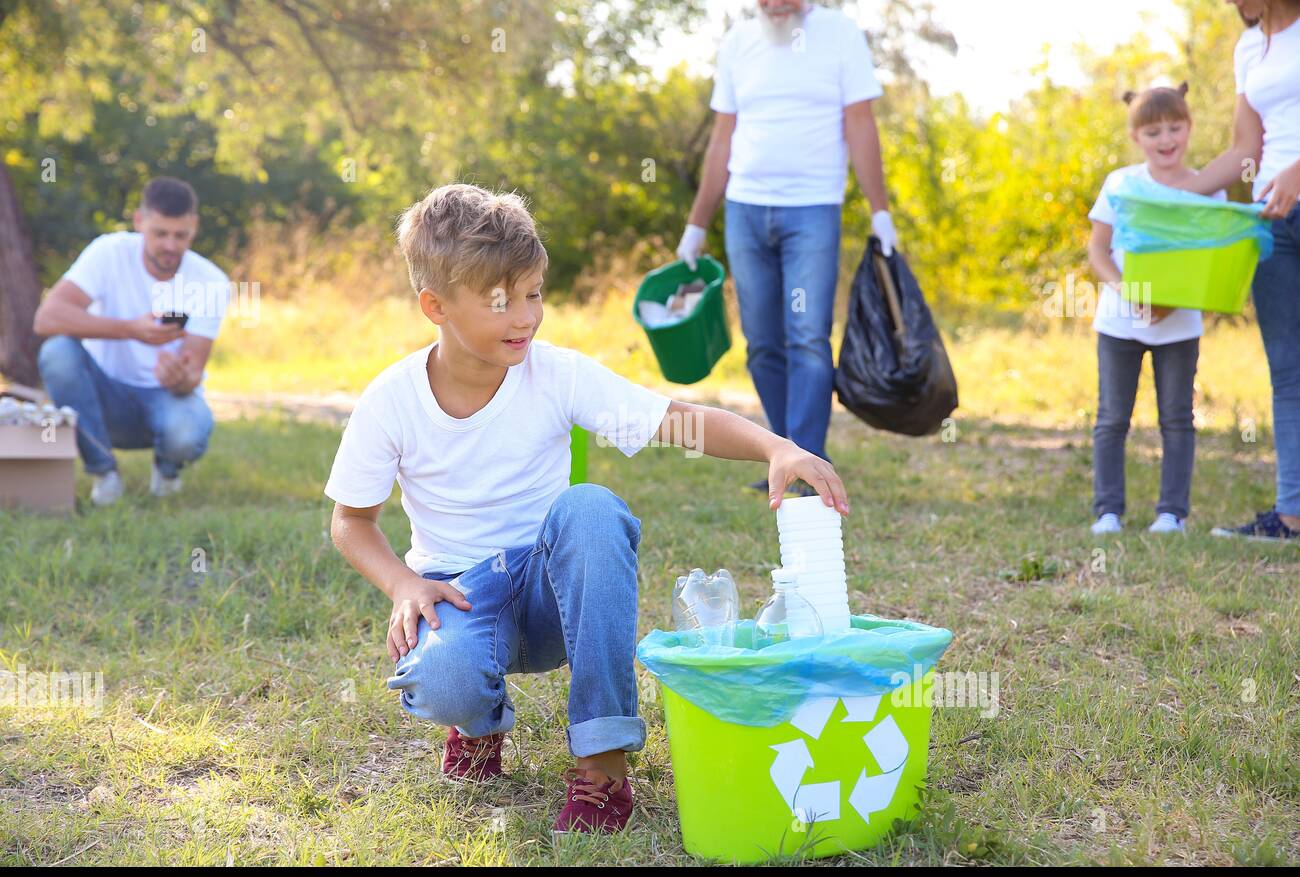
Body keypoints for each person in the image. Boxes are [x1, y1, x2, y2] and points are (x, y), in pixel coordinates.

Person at [324, 183, 851, 834]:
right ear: (436, 305)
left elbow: (675, 421)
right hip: (460, 597)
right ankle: (478, 723)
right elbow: (351, 522)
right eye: (500, 301)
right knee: (447, 679)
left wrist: (775, 447)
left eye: (534, 294)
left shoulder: (556, 374)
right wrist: (403, 583)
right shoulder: (392, 400)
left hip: (556, 597)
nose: (524, 317)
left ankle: (603, 763)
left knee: (591, 508)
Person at [676, 0, 894, 498]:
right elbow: (722, 139)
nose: (774, 5)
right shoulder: (737, 42)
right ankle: (786, 452)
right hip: (746, 210)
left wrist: (880, 210)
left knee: (808, 337)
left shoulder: (841, 36)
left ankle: (809, 460)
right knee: (764, 343)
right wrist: (697, 223)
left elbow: (861, 124)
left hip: (813, 209)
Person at [33, 177, 228, 506]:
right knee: (56, 352)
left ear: (194, 227)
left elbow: (194, 370)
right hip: (103, 398)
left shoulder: (211, 282)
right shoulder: (108, 252)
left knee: (186, 431)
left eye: (180, 235)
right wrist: (130, 329)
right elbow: (47, 318)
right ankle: (104, 474)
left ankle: (167, 471)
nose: (170, 245)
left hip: (164, 400)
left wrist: (181, 380)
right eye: (160, 233)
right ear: (139, 222)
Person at [1086, 84, 1224, 535]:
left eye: (1174, 128)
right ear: (1136, 137)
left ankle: (1172, 514)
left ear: (1189, 127)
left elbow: (1210, 261)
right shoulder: (1121, 184)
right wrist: (1130, 292)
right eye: (1152, 132)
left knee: (1178, 419)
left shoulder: (1208, 188)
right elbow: (1098, 251)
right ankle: (1108, 511)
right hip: (1120, 322)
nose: (1165, 139)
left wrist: (1171, 302)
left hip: (1180, 325)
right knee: (1111, 418)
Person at [1186, 0, 1300, 540]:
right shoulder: (1250, 47)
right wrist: (1179, 193)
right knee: (1287, 366)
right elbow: (1245, 149)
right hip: (1270, 222)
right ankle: (1292, 513)